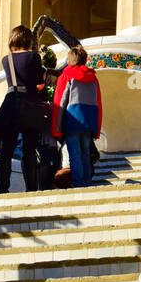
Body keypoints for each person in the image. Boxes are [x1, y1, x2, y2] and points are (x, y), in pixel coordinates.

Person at [0, 25, 47, 194]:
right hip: (29, 103)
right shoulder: (33, 57)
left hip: (11, 103)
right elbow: (39, 82)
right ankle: (30, 188)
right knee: (29, 150)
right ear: (28, 39)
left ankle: (3, 189)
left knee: (7, 150)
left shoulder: (5, 59)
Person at [51, 45, 102, 187]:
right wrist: (96, 126)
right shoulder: (93, 78)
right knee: (86, 153)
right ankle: (87, 182)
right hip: (89, 121)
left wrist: (57, 126)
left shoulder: (66, 76)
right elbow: (98, 103)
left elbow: (60, 102)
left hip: (72, 120)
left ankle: (78, 183)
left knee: (74, 153)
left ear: (70, 59)